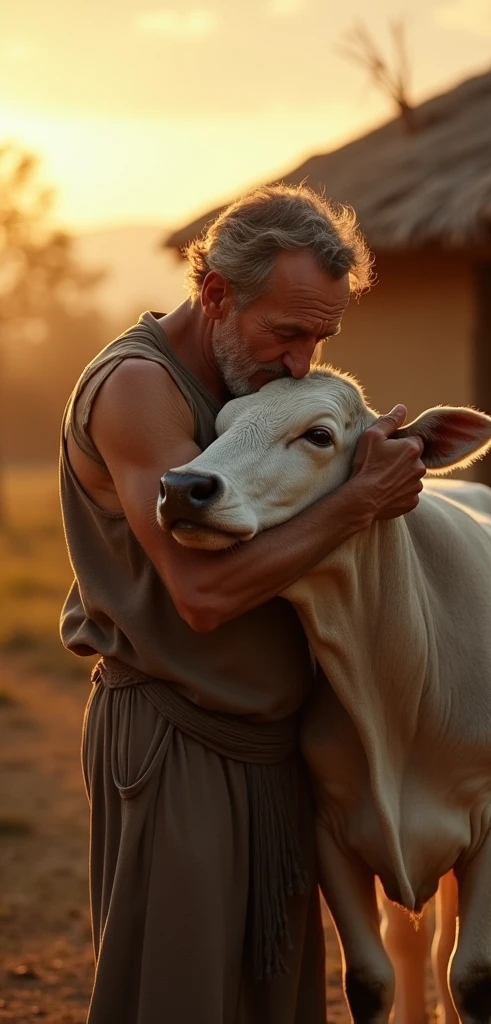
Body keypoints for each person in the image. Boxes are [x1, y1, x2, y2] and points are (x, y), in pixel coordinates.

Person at [59, 184, 425, 1024]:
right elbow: (202, 593)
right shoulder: (139, 389)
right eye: (286, 333)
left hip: (277, 752)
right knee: (180, 998)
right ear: (215, 292)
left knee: (272, 1000)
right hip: (177, 741)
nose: (302, 363)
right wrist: (358, 501)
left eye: (322, 338)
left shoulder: (256, 396)